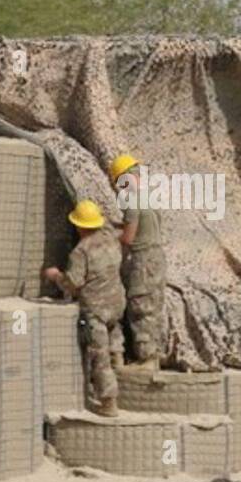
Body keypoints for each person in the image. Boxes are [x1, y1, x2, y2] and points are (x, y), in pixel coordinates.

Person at [43, 199, 125, 417]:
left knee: (99, 356)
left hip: (97, 308)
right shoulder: (111, 240)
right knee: (114, 341)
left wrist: (56, 276)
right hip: (117, 303)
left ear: (78, 226)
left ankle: (109, 402)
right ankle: (121, 363)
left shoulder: (81, 252)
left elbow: (74, 283)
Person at [110, 154, 166, 368]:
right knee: (153, 305)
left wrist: (107, 235)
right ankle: (153, 355)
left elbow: (128, 238)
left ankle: (147, 359)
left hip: (143, 260)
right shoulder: (149, 198)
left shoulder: (132, 201)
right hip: (157, 257)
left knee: (141, 306)